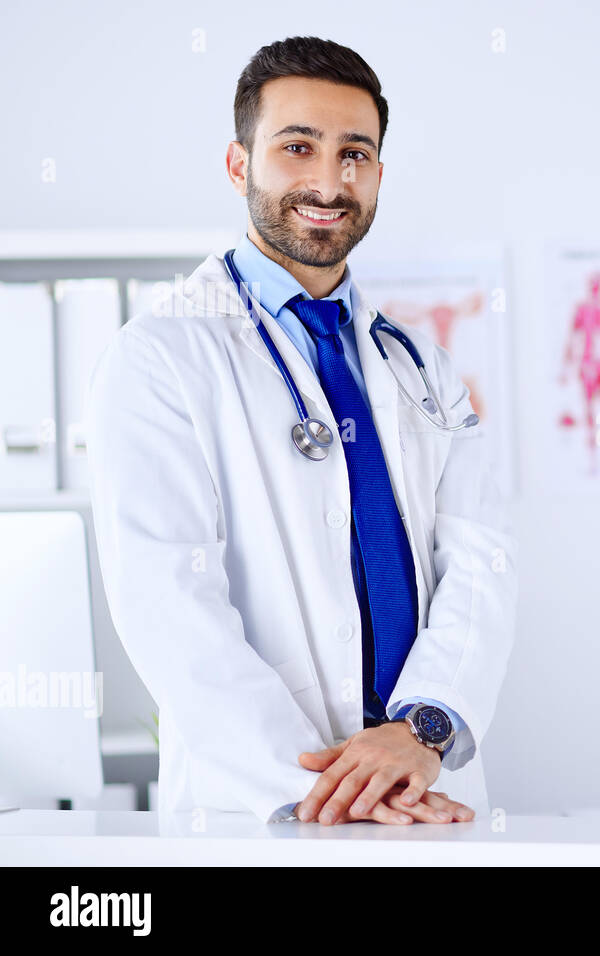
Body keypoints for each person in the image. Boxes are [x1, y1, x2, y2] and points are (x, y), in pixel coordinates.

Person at [86, 36, 517, 825]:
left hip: (428, 796)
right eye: (297, 147)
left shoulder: (419, 363)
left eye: (356, 153)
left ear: (380, 175)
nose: (329, 180)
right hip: (268, 806)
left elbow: (483, 565)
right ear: (237, 164)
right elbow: (167, 604)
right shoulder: (161, 356)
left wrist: (425, 731)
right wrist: (332, 792)